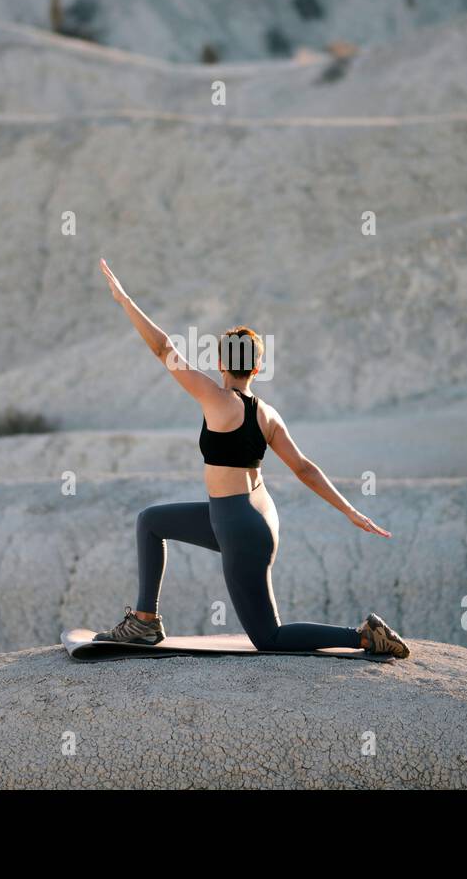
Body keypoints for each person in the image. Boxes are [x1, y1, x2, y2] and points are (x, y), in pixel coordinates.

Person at [93, 258, 410, 658]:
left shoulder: (217, 400)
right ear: (258, 367)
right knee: (151, 521)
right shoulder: (268, 414)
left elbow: (163, 348)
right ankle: (144, 622)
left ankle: (363, 635)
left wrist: (124, 299)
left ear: (223, 363)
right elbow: (304, 468)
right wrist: (350, 511)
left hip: (238, 526)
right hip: (247, 518)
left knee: (269, 637)